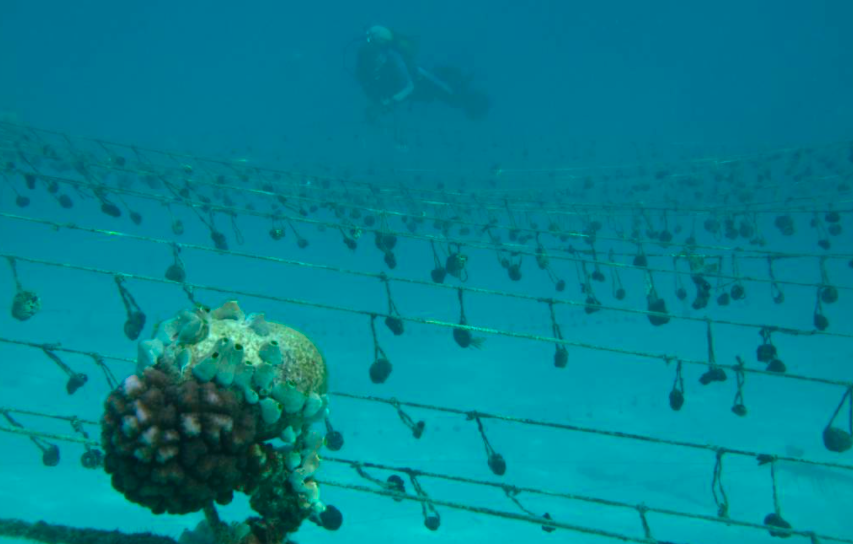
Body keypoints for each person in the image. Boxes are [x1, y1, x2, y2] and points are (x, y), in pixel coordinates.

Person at [354, 25, 489, 121]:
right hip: (417, 88)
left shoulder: (394, 58)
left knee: (452, 95)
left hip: (422, 82)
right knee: (449, 95)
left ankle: (475, 101)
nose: (376, 59)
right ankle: (469, 97)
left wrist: (389, 103)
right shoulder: (369, 57)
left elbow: (409, 86)